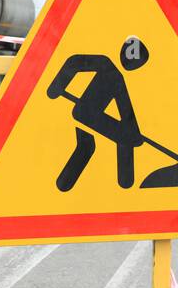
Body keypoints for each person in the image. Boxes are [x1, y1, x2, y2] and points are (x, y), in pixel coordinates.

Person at [47, 37, 149, 191]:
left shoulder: (117, 76)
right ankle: (126, 180)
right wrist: (55, 87)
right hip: (86, 113)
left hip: (86, 114)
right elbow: (74, 63)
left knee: (87, 147)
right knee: (119, 138)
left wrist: (133, 132)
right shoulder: (106, 65)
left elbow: (125, 109)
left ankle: (64, 186)